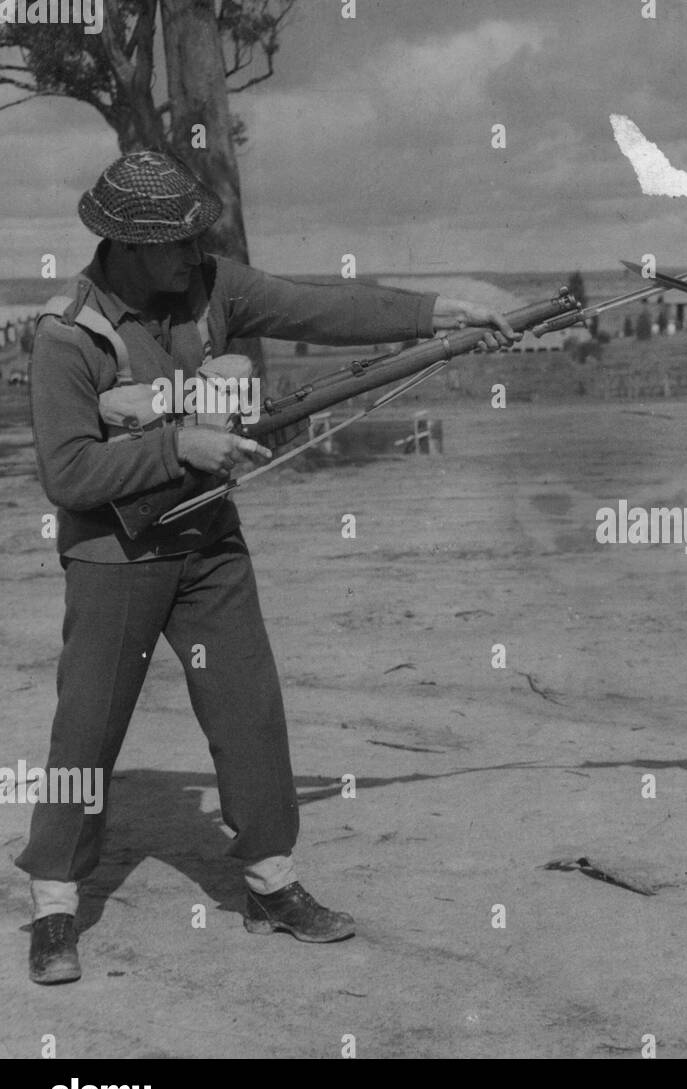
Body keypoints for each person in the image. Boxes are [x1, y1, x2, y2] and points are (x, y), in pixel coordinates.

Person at [19, 150, 518, 984]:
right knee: (88, 728)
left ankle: (269, 884)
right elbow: (67, 475)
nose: (194, 253)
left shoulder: (215, 286)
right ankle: (55, 901)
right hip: (116, 556)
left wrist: (446, 309)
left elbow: (323, 308)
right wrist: (178, 443)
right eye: (179, 242)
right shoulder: (67, 335)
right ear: (128, 246)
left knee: (249, 708)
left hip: (208, 544)